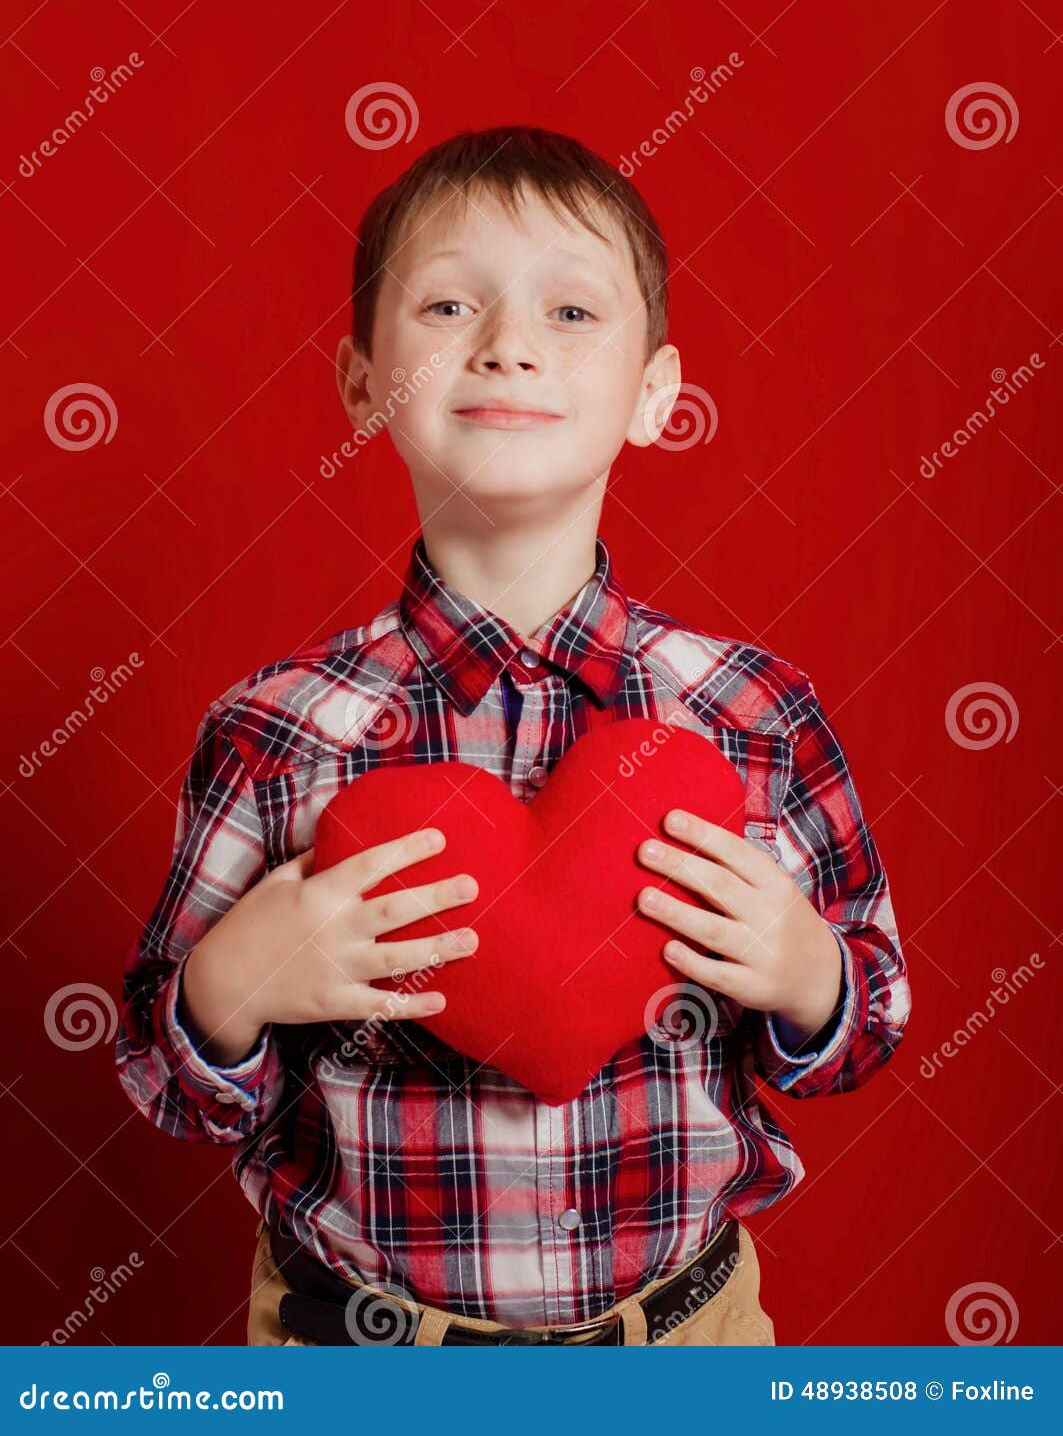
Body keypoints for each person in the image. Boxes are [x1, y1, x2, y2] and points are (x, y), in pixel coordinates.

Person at [116, 125, 911, 1347]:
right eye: (446, 304)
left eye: (574, 313)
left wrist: (809, 975)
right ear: (360, 378)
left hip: (685, 1346)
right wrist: (229, 989)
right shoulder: (276, 731)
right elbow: (166, 1077)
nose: (508, 343)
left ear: (655, 393)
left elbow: (871, 1012)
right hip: (359, 1354)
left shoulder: (754, 712)